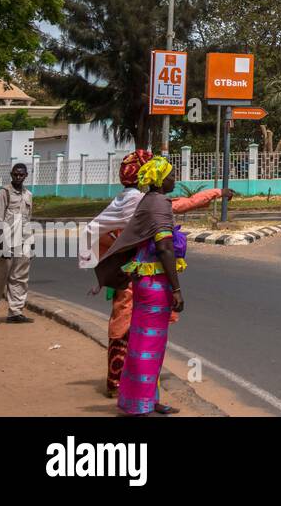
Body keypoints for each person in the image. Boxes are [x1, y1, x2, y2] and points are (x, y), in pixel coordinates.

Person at [81, 150, 223, 396]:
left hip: (128, 269)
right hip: (137, 274)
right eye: (169, 175)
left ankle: (127, 383)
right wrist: (215, 192)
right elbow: (167, 239)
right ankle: (128, 385)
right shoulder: (141, 200)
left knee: (132, 325)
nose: (174, 180)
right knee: (135, 328)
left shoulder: (129, 197)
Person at [95, 157, 188, 416]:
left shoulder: (151, 200)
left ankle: (148, 398)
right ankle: (140, 405)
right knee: (146, 347)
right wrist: (177, 289)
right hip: (154, 283)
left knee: (150, 345)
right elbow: (164, 247)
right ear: (159, 179)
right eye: (170, 175)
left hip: (149, 282)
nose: (174, 179)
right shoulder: (158, 204)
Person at [0, 163, 33, 323]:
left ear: (26, 175)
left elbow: (28, 219)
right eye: (16, 174)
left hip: (23, 240)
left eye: (21, 175)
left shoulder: (28, 194)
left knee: (20, 277)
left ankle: (15, 312)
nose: (18, 177)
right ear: (11, 174)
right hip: (7, 241)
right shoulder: (4, 192)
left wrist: (31, 242)